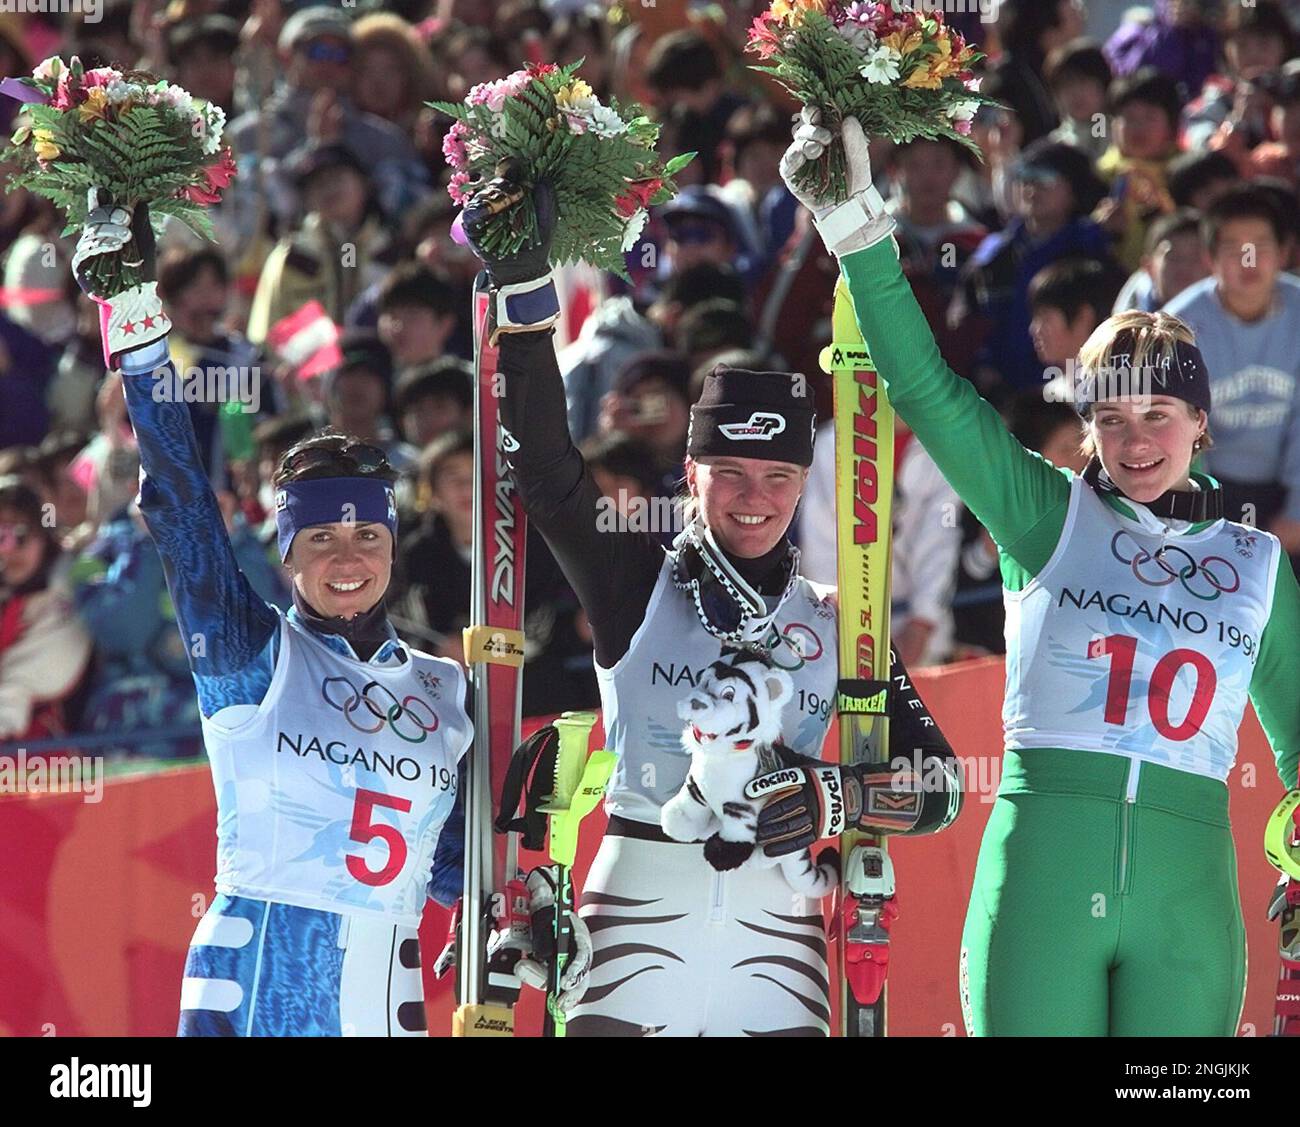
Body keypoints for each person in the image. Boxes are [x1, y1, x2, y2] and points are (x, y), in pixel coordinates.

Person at [778, 108, 1300, 1036]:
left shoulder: (1256, 561)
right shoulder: (1049, 513)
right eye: (1111, 419)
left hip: (1190, 891)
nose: (1135, 440)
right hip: (1046, 871)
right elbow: (929, 394)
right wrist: (857, 225)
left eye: (1158, 415)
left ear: (1200, 425)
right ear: (1088, 426)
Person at [460, 174, 962, 1036]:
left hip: (779, 938)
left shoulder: (842, 618)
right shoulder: (635, 584)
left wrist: (835, 798)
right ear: (690, 475)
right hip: (637, 919)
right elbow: (544, 476)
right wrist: (523, 296)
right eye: (727, 473)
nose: (752, 498)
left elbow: (942, 787)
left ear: (805, 482)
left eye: (776, 477)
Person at [68, 196, 472, 1036]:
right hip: (259, 985)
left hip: (386, 1002)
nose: (348, 557)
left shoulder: (449, 688)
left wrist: (525, 879)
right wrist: (139, 331)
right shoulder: (254, 651)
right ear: (286, 554)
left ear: (396, 544)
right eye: (319, 537)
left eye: (367, 533)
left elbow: (453, 874)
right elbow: (180, 510)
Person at [1162, 186, 1300, 559]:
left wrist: (1295, 515)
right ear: (1210, 258)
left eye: (1260, 245)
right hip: (1205, 488)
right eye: (1234, 249)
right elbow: (1170, 426)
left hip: (1289, 488)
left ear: (1285, 252)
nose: (1249, 260)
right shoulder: (1178, 326)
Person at [0, 476, 91, 751]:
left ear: (44, 534)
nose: (9, 549)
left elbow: (23, 686)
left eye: (21, 534)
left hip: (45, 763)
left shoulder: (71, 589)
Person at [1112, 208, 1209, 315]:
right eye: (1173, 256)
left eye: (1196, 257)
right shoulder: (1127, 323)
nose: (1184, 265)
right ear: (1149, 267)